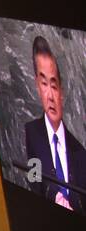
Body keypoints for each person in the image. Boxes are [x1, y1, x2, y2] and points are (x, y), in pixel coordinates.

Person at [24, 35, 84, 212]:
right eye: (44, 83)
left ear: (62, 92)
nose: (50, 95)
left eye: (54, 85)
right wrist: (54, 196)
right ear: (37, 86)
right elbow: (34, 181)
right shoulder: (32, 133)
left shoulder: (81, 153)